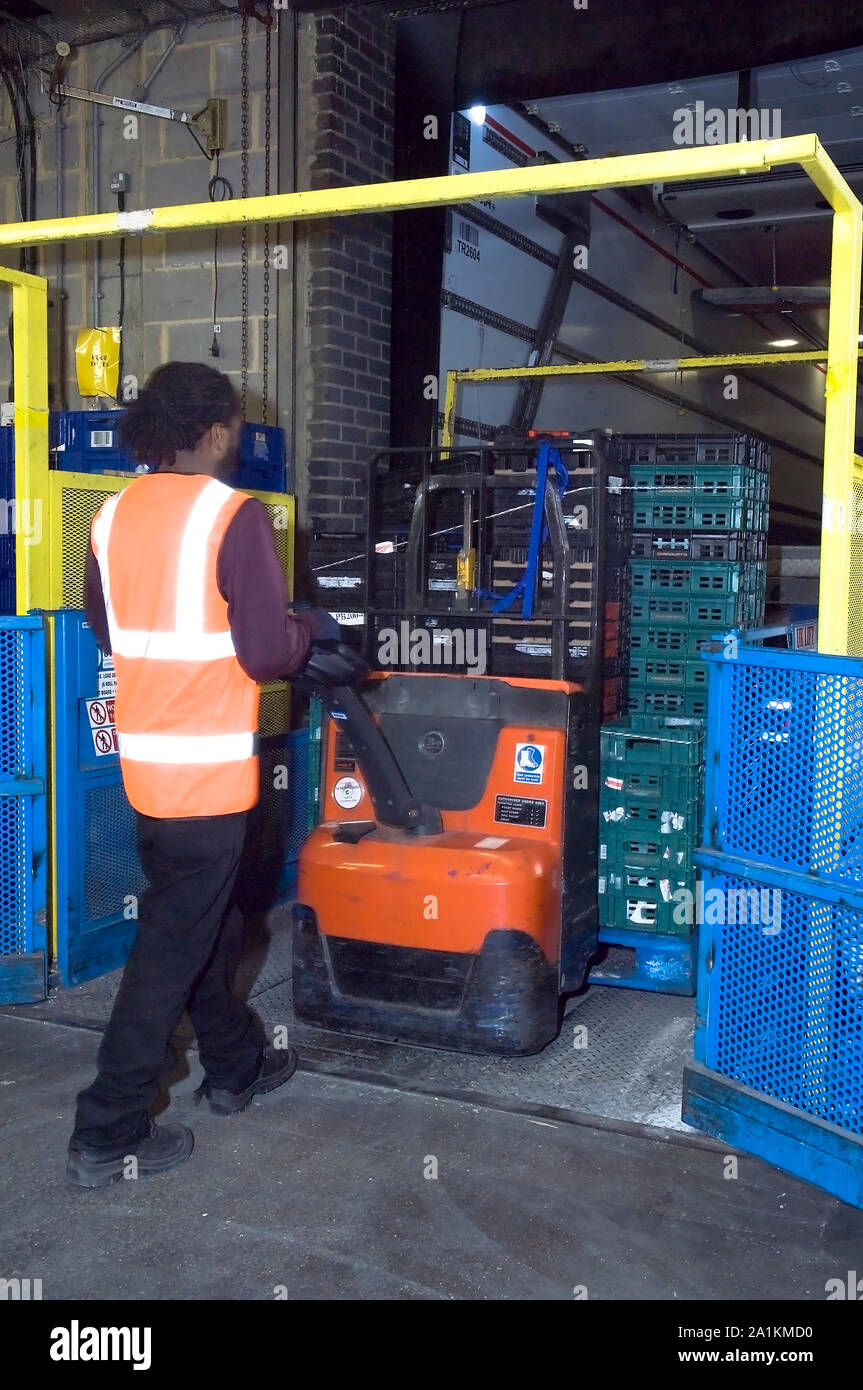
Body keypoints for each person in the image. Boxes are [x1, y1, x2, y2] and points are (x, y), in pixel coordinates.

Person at [66, 362, 335, 1189]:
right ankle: (107, 1130)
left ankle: (236, 1065)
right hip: (210, 779)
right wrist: (308, 630)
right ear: (217, 432)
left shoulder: (112, 515)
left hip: (147, 770)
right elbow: (263, 652)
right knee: (171, 947)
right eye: (236, 428)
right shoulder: (233, 516)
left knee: (204, 924)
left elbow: (106, 629)